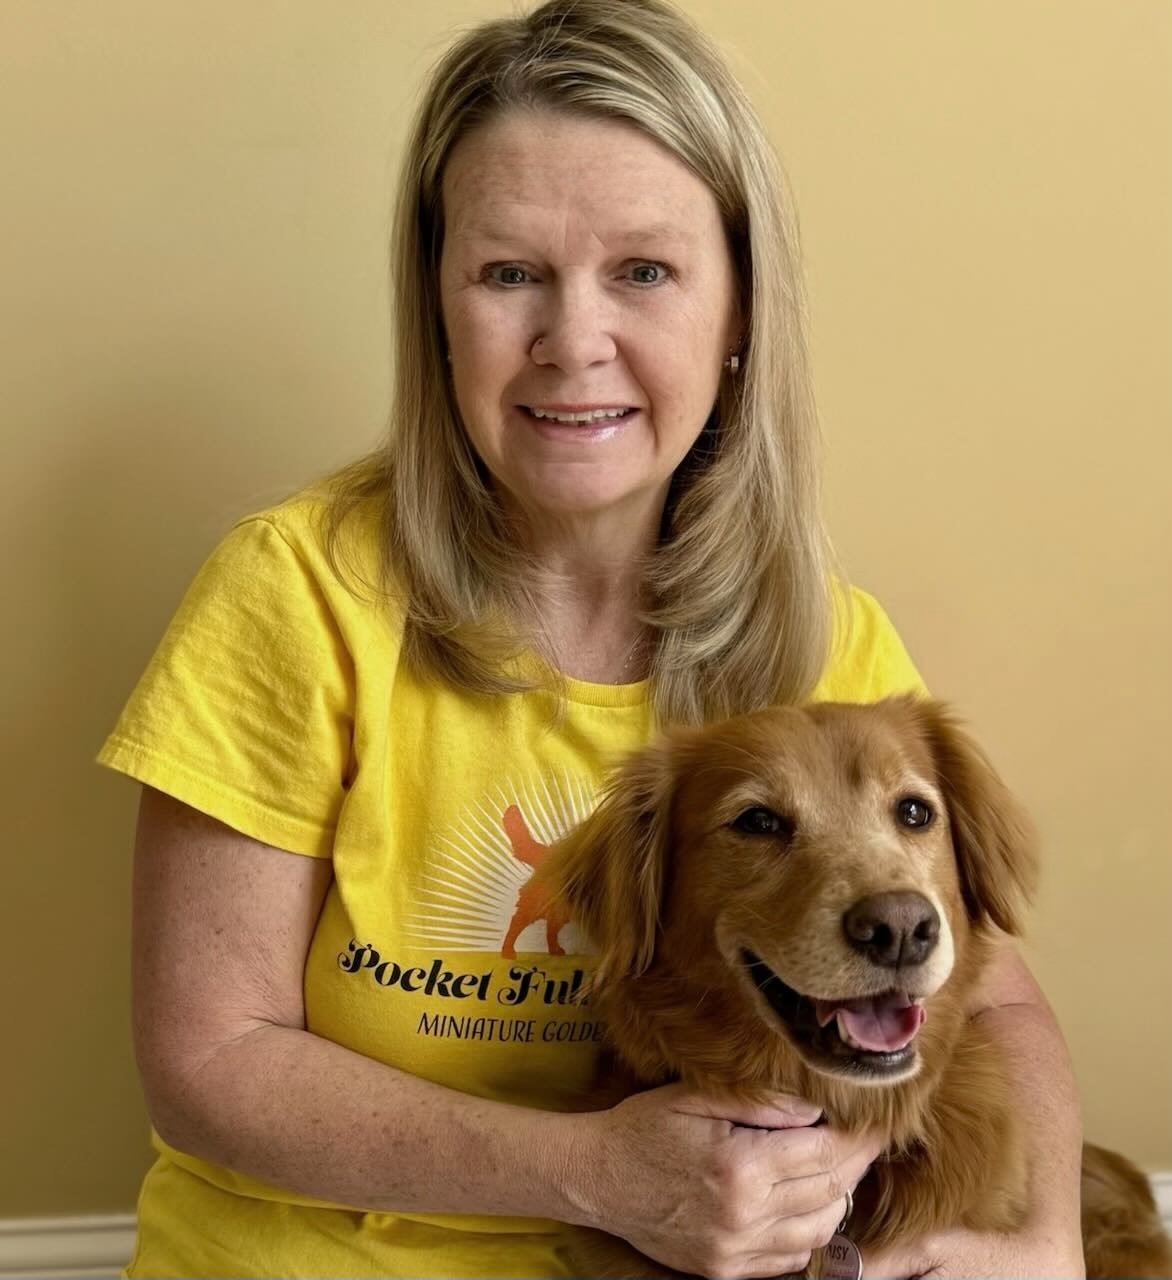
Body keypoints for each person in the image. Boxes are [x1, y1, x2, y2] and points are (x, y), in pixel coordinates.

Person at [98, 1, 1085, 1276]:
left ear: (738, 312)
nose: (575, 344)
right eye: (509, 273)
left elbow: (989, 990)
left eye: (644, 270)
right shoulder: (294, 592)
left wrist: (1047, 1238)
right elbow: (207, 1059)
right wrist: (590, 1169)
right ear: (437, 307)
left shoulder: (823, 636)